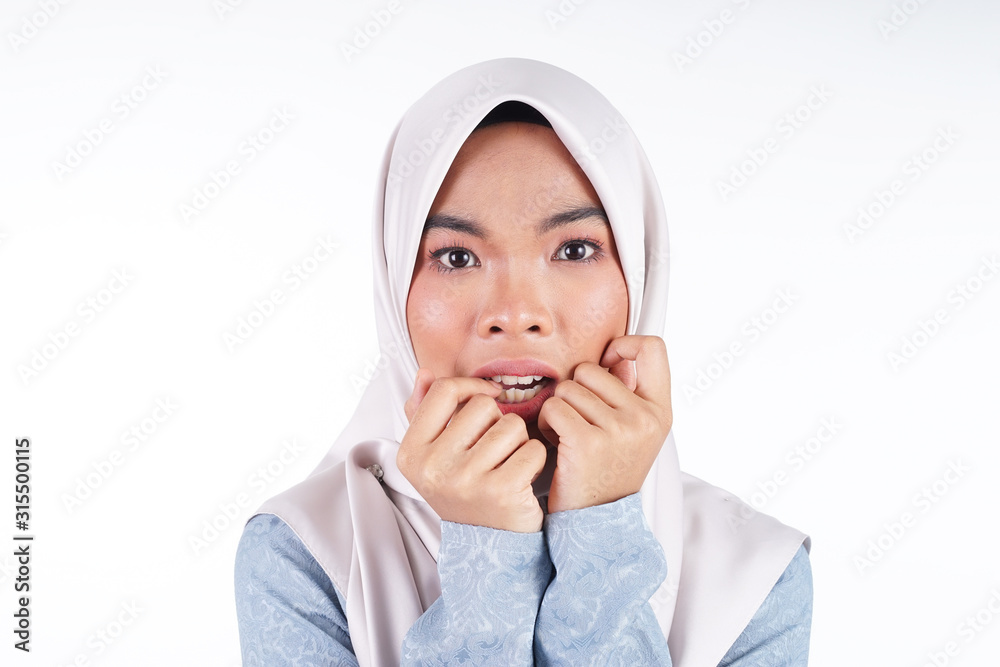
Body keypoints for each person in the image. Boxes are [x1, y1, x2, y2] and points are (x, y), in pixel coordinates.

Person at [234, 57, 812, 666]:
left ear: (640, 279)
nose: (515, 312)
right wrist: (487, 555)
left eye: (575, 249)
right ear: (392, 282)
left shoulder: (751, 574)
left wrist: (600, 533)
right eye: (456, 258)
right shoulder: (303, 551)